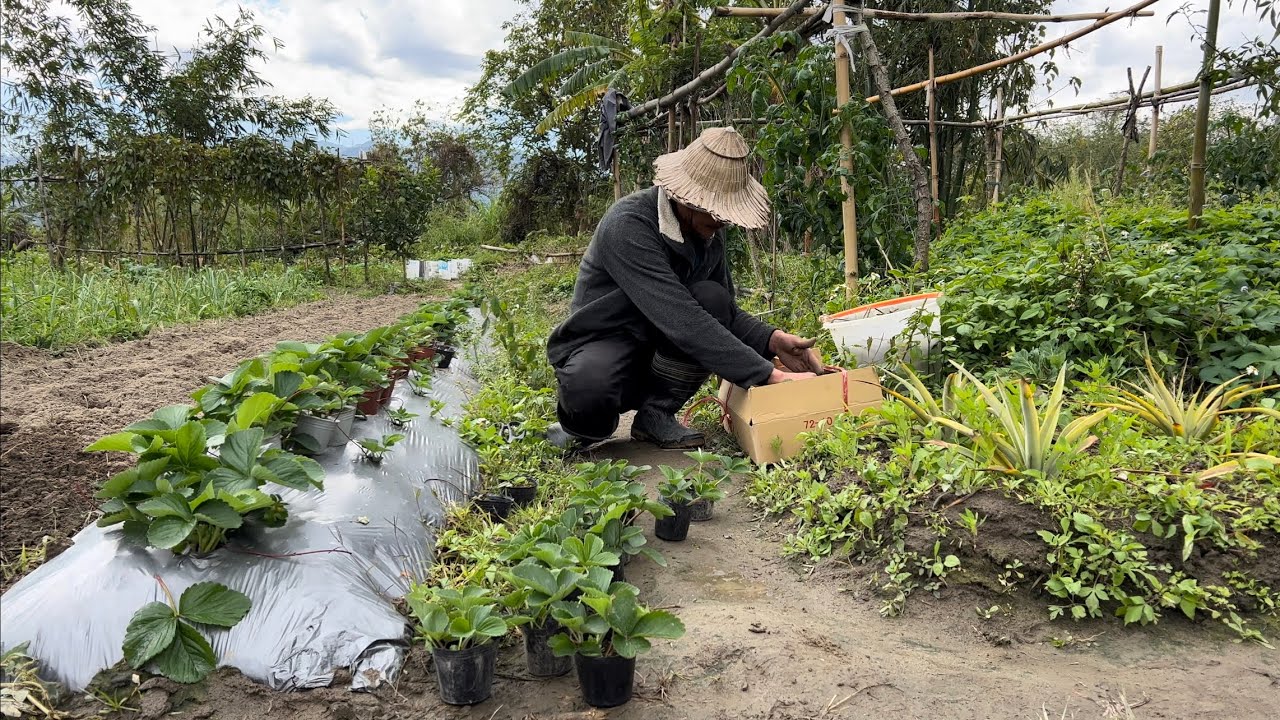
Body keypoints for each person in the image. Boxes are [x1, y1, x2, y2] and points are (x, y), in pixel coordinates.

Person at [545, 126, 824, 450]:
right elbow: (680, 315)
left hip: (659, 343)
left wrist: (772, 340)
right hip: (605, 340)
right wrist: (768, 376)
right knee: (590, 386)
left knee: (713, 298)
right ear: (685, 197)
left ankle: (655, 415)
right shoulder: (629, 225)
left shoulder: (708, 233)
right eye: (714, 210)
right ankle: (578, 426)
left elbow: (722, 313)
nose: (721, 222)